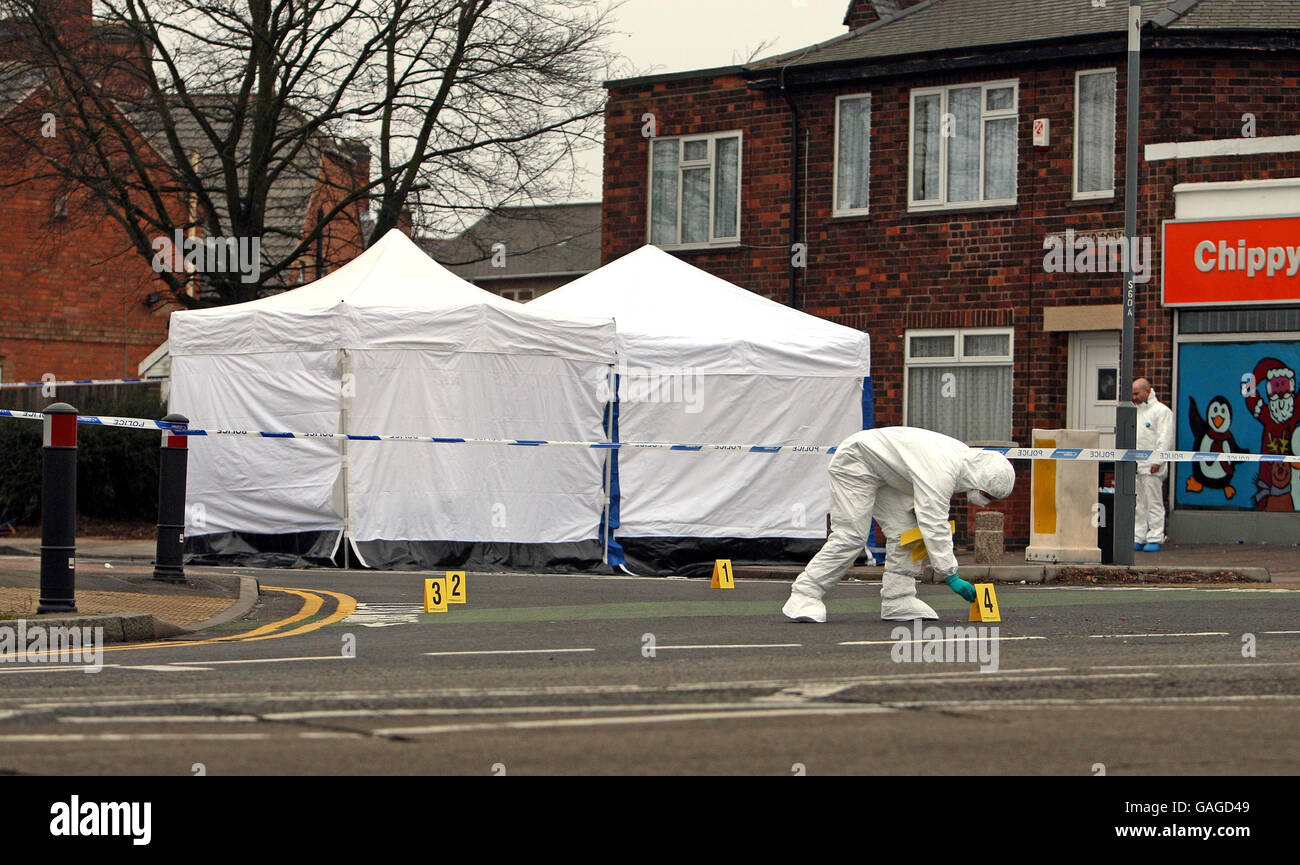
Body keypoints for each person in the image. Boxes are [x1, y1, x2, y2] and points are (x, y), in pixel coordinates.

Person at [782, 426, 1017, 623]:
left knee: (906, 534)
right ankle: (805, 594)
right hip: (855, 459)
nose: (985, 501)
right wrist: (950, 574)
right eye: (988, 495)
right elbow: (934, 521)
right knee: (851, 535)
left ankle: (899, 598)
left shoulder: (962, 462)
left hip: (885, 470)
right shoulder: (944, 469)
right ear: (981, 481)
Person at [1132, 377, 1175, 551]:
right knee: (1139, 503)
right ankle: (1139, 536)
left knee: (1154, 502)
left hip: (1153, 466)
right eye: (1133, 393)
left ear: (1147, 391)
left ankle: (1156, 536)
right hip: (1137, 465)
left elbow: (1165, 439)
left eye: (1137, 393)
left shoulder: (1161, 411)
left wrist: (1158, 461)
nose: (1134, 397)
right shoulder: (1135, 411)